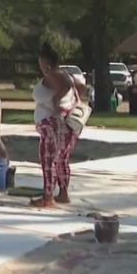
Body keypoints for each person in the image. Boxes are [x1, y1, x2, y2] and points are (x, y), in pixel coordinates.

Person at [31, 43, 86, 208]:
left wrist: (57, 101)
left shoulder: (53, 74)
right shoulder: (66, 74)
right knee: (61, 160)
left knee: (48, 159)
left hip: (53, 123)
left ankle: (48, 196)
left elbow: (67, 86)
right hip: (63, 123)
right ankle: (63, 193)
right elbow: (80, 87)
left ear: (45, 62)